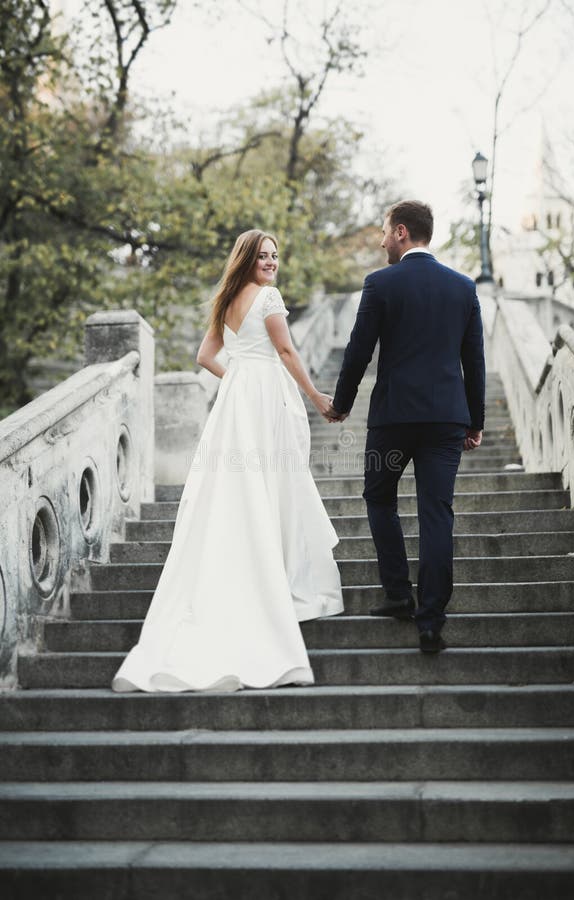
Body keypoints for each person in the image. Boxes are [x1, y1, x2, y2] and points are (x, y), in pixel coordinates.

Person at [112, 229, 344, 693]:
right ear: (248, 259)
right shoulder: (269, 297)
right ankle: (269, 585)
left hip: (238, 403)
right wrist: (316, 395)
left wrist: (239, 375)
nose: (272, 263)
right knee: (268, 484)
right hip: (263, 401)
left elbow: (205, 356)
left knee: (241, 488)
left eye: (275, 256)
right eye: (264, 256)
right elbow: (284, 350)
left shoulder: (227, 300)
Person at [326, 200, 485, 653]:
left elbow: (358, 350)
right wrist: (474, 421)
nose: (380, 242)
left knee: (380, 498)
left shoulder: (380, 283)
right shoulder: (463, 287)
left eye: (383, 233)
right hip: (445, 421)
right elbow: (473, 360)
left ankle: (398, 594)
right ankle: (431, 620)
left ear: (400, 232)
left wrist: (341, 404)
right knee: (438, 513)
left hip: (393, 418)